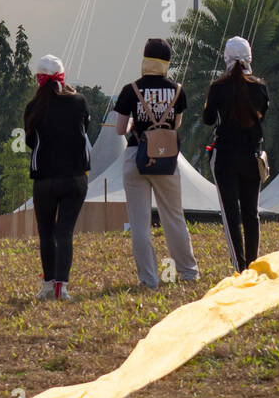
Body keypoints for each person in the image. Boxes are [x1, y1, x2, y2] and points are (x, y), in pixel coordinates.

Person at [114, 37, 200, 290]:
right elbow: (175, 125)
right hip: (167, 157)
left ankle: (149, 279)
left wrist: (134, 125)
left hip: (136, 156)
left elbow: (120, 129)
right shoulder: (177, 90)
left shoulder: (131, 90)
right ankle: (188, 272)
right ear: (167, 62)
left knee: (139, 222)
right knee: (173, 217)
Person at [25, 54, 91, 301]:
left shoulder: (34, 107)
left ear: (39, 79)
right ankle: (61, 287)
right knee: (65, 232)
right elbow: (84, 129)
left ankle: (47, 284)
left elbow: (31, 142)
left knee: (46, 232)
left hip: (45, 178)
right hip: (75, 176)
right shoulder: (79, 101)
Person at [203, 36, 269, 274]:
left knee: (231, 214)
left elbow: (208, 119)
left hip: (225, 157)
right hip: (252, 156)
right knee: (252, 212)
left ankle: (239, 266)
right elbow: (262, 114)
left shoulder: (217, 88)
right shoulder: (260, 87)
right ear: (249, 57)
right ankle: (252, 263)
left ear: (226, 58)